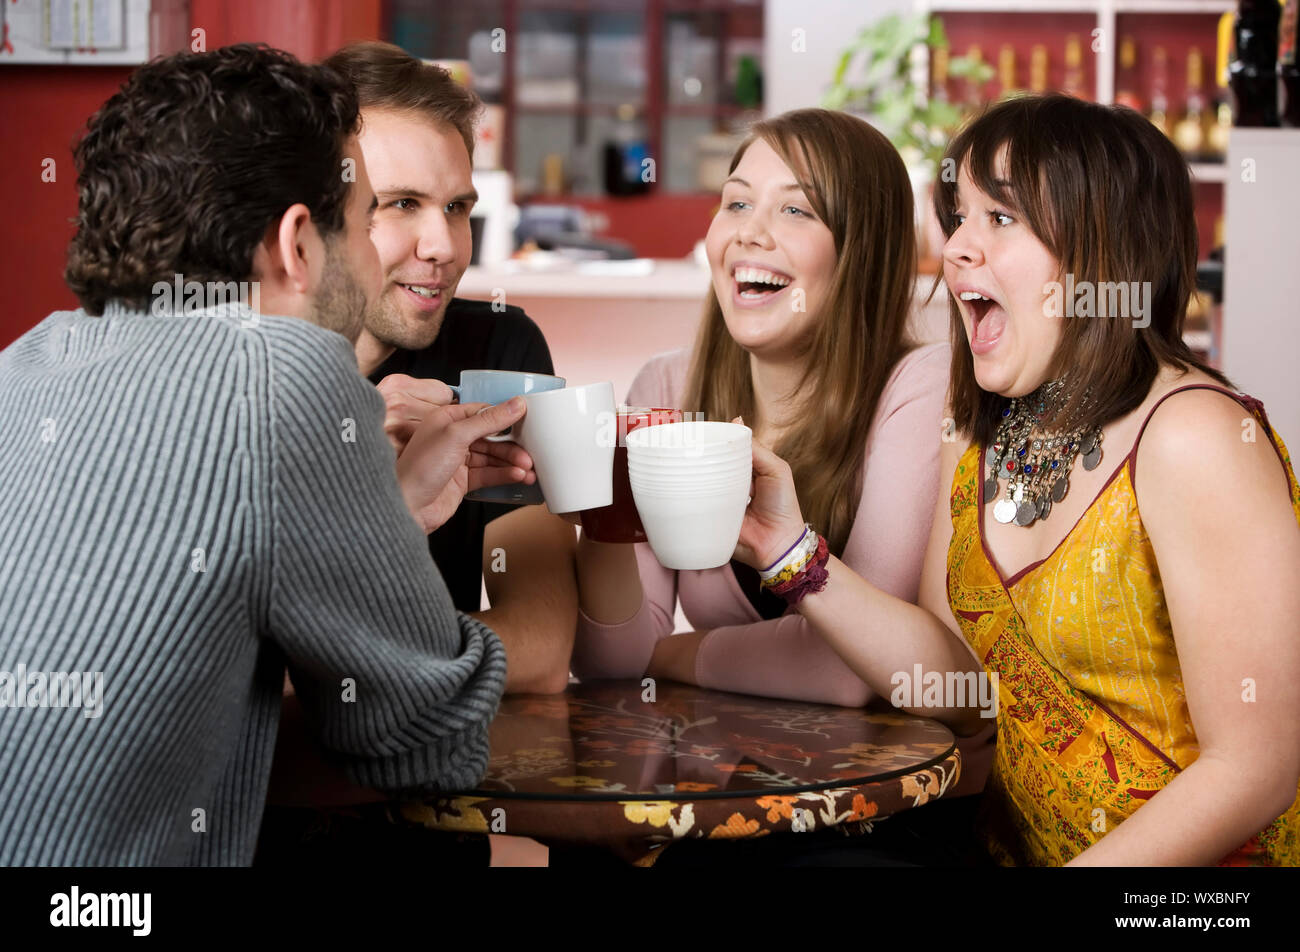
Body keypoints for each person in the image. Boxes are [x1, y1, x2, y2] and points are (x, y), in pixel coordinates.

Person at [722, 93, 1300, 865]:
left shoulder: (1196, 437)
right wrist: (787, 548)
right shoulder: (986, 436)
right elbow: (960, 682)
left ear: (1106, 251)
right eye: (960, 215)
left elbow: (1256, 767)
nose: (957, 245)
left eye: (1001, 219)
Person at [0, 44, 531, 866]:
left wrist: (384, 515)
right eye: (364, 220)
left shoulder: (26, 360)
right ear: (297, 244)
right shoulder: (284, 374)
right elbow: (431, 741)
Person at [567, 108, 994, 863]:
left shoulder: (920, 387)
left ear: (861, 251)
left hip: (881, 809)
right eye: (736, 202)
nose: (749, 233)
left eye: (795, 209)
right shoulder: (669, 382)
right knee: (595, 842)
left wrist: (678, 658)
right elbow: (611, 666)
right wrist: (604, 513)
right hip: (734, 783)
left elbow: (846, 672)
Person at [325, 42, 576, 695]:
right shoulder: (232, 376)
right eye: (401, 204)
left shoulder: (500, 353)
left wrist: (336, 664)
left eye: (457, 208)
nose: (443, 246)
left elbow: (543, 648)